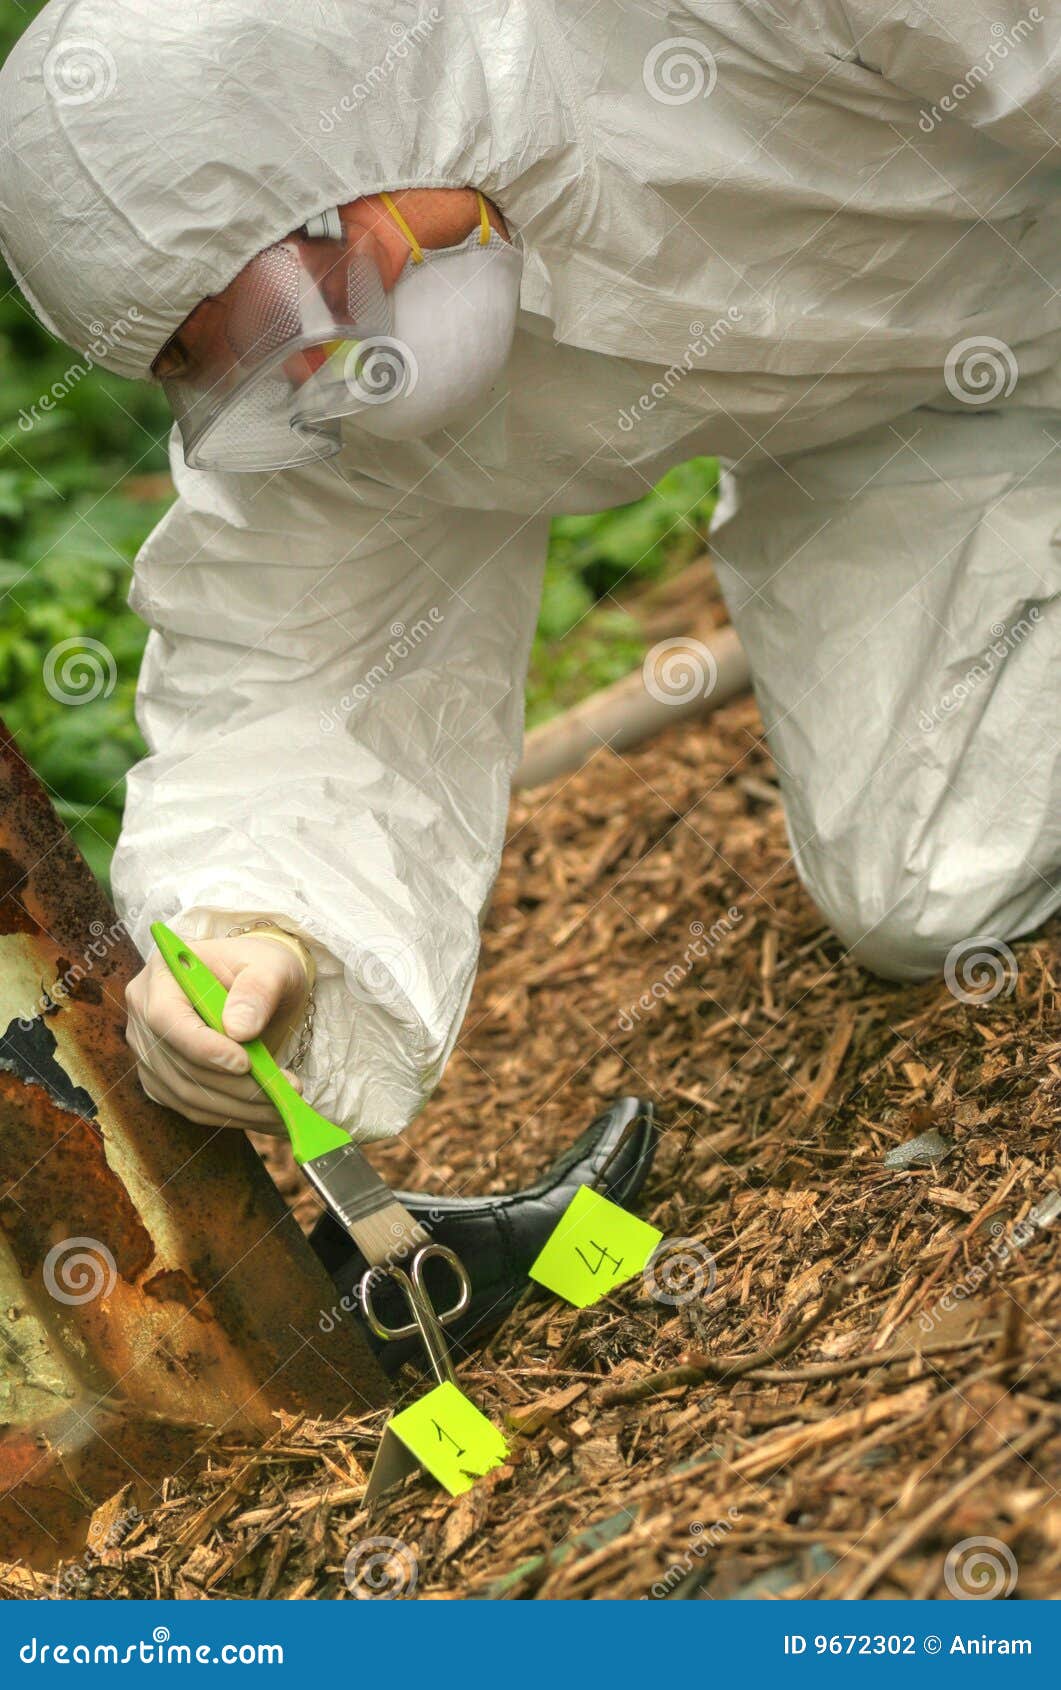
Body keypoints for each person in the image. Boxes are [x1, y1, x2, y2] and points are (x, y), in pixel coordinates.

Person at [1, 5, 1057, 1252]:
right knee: (938, 885)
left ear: (350, 124)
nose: (280, 376)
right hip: (924, 421)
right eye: (206, 357)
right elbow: (289, 658)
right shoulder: (331, 407)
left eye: (271, 307)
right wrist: (252, 927)